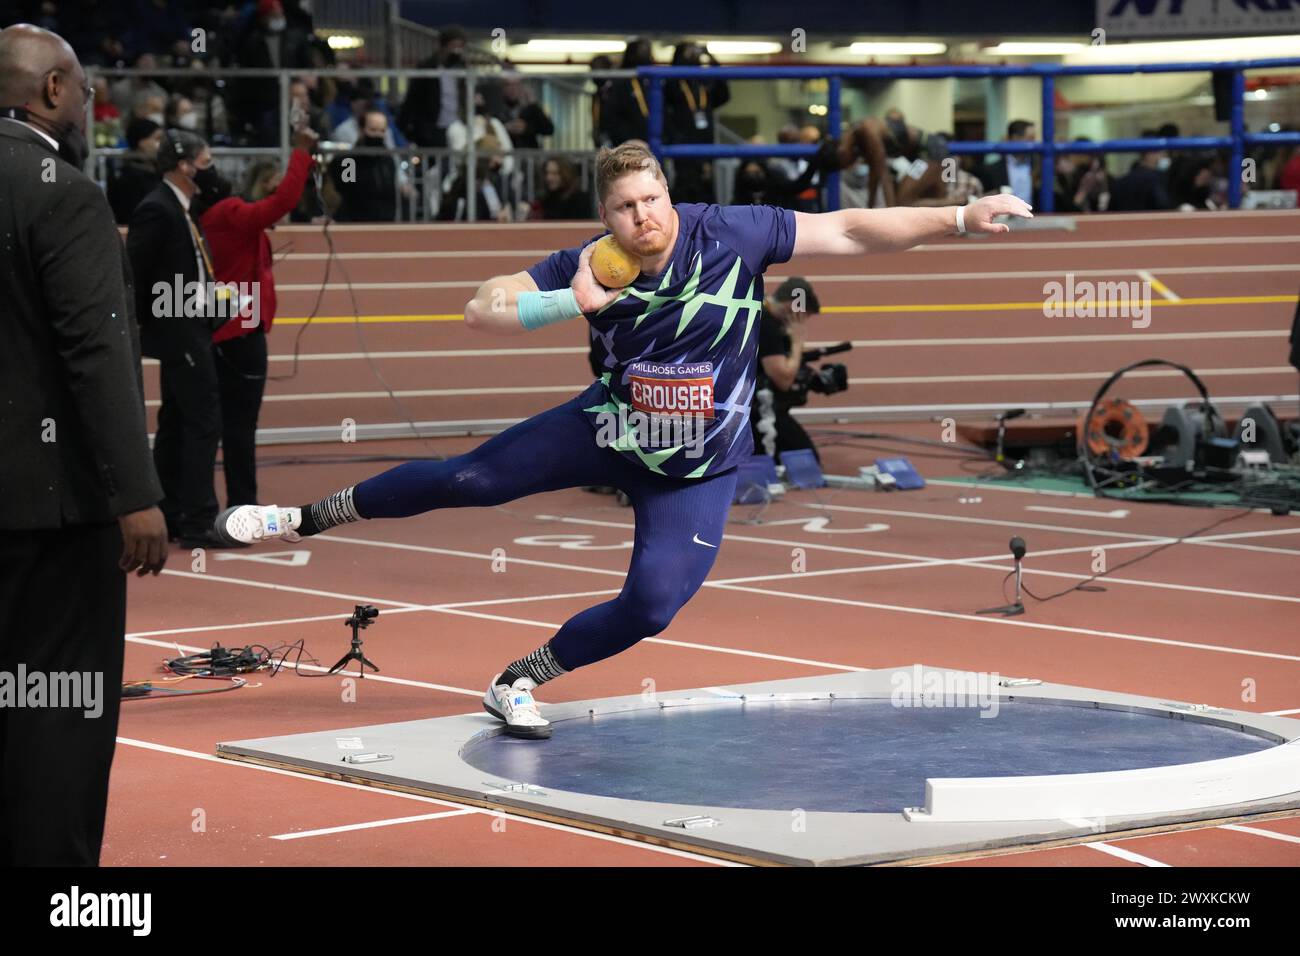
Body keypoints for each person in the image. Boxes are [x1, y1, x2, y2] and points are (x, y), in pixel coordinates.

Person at [213, 140, 1032, 740]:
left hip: (700, 466)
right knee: (468, 482)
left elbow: (850, 230)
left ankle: (518, 681)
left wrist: (959, 214)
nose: (643, 218)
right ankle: (300, 518)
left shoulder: (735, 233)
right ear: (603, 216)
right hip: (607, 431)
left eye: (652, 200)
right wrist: (567, 303)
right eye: (624, 208)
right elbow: (479, 308)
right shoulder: (589, 265)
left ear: (669, 195)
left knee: (653, 606)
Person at [0, 22, 168, 866]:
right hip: (53, 511)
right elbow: (96, 352)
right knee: (57, 712)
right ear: (53, 92)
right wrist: (135, 492)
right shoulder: (61, 192)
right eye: (86, 91)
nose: (92, 108)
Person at [127, 128, 237, 547]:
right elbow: (136, 271)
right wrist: (148, 323)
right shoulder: (159, 209)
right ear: (183, 166)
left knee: (176, 420)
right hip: (178, 329)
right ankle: (198, 519)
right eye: (205, 163)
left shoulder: (182, 208)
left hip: (188, 322)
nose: (211, 172)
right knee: (203, 419)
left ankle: (172, 510)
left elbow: (186, 269)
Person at [198, 126, 317, 508]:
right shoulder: (230, 213)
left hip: (222, 326)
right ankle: (241, 506)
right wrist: (301, 153)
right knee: (239, 427)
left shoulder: (212, 217)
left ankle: (194, 507)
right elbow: (283, 201)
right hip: (239, 331)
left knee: (209, 425)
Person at [750, 277, 823, 463]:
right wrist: (797, 342)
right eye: (802, 315)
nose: (802, 322)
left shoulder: (759, 306)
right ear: (792, 306)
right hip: (759, 408)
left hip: (741, 399)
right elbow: (783, 380)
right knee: (807, 461)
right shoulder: (768, 326)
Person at [107, 116, 163, 223]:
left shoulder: (156, 171)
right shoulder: (128, 178)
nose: (162, 144)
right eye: (157, 138)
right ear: (141, 142)